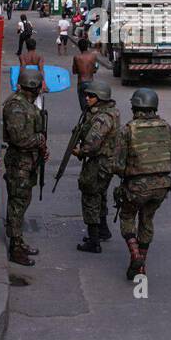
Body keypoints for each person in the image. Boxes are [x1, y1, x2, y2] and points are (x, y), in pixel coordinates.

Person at [114, 88, 171, 281]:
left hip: (136, 188)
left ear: (135, 107)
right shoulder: (166, 127)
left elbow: (117, 165)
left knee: (127, 217)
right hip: (161, 187)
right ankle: (141, 267)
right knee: (147, 220)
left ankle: (135, 256)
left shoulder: (128, 129)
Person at [1, 68, 47, 267]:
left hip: (28, 162)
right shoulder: (16, 106)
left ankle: (18, 241)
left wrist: (41, 147)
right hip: (19, 162)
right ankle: (15, 247)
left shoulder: (26, 104)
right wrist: (39, 140)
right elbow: (20, 139)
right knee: (17, 204)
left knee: (23, 201)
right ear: (34, 88)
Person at [74, 81, 120, 254]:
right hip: (106, 163)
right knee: (100, 196)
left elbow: (92, 145)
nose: (87, 98)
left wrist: (80, 151)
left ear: (100, 98)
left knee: (90, 197)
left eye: (91, 96)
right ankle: (102, 230)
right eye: (87, 95)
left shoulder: (102, 118)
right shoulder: (111, 112)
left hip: (98, 162)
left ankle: (94, 241)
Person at [18, 38, 47, 111]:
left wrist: (18, 83)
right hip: (37, 81)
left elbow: (22, 69)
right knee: (37, 102)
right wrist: (43, 83)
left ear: (26, 46)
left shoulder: (22, 56)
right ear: (35, 46)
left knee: (25, 100)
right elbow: (41, 70)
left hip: (26, 82)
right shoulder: (39, 56)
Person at [71, 37, 99, 112]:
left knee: (83, 107)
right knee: (92, 104)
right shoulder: (93, 56)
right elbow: (95, 69)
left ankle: (85, 118)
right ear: (87, 46)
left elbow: (74, 71)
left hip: (81, 83)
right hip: (91, 82)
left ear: (79, 47)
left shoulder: (77, 57)